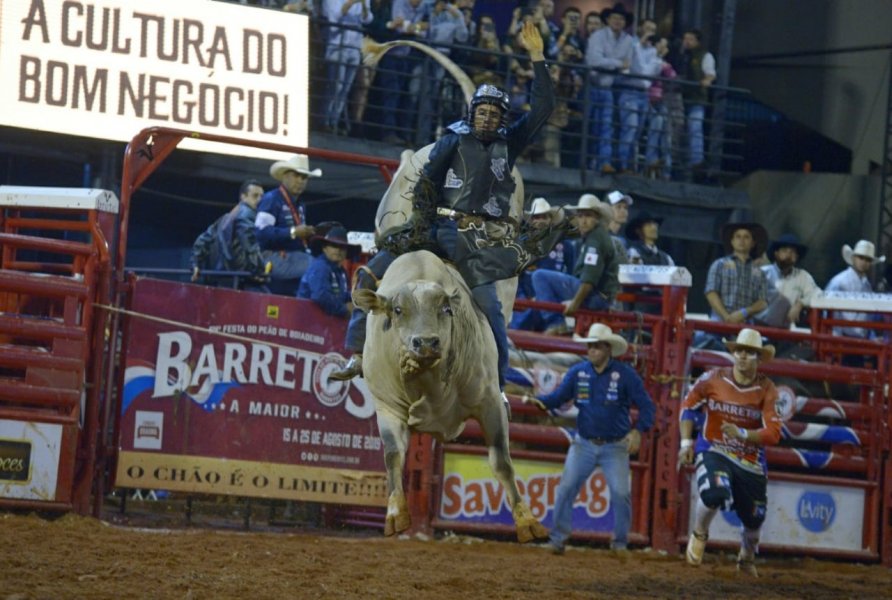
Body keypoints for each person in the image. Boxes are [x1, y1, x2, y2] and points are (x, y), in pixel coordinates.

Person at [330, 21, 556, 385]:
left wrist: (537, 58)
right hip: (437, 225)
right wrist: (420, 225)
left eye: (494, 113)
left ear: (502, 120)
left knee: (491, 308)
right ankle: (357, 353)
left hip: (476, 237)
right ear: (472, 113)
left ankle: (496, 381)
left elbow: (543, 108)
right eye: (482, 111)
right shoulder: (452, 141)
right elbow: (426, 184)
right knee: (370, 274)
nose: (487, 117)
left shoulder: (508, 145)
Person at [525, 323, 654, 553]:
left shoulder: (625, 375)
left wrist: (637, 431)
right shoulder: (578, 372)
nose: (591, 350)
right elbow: (559, 397)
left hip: (614, 446)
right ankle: (558, 539)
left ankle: (620, 542)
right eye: (590, 346)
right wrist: (542, 402)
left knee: (621, 493)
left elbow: (647, 407)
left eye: (596, 347)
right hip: (584, 442)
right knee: (566, 489)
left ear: (608, 349)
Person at [678, 328, 782, 577]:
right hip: (715, 449)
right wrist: (685, 444)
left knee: (754, 520)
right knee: (715, 493)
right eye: (740, 351)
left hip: (751, 461)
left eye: (750, 352)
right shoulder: (711, 379)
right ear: (733, 353)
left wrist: (743, 434)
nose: (743, 356)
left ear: (758, 357)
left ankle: (746, 558)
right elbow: (688, 407)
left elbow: (774, 433)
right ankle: (700, 532)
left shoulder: (767, 390)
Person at [532, 194, 618, 336]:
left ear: (597, 219)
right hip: (601, 296)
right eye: (581, 216)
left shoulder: (594, 241)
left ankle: (555, 323)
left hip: (595, 297)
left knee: (539, 276)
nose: (583, 221)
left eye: (588, 216)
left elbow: (589, 281)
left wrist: (574, 304)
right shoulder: (595, 237)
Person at [255, 155, 319, 295]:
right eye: (297, 176)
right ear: (285, 177)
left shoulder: (300, 204)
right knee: (318, 268)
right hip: (271, 257)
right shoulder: (271, 199)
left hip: (292, 257)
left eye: (304, 178)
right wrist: (293, 232)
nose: (301, 181)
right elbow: (261, 234)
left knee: (320, 265)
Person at [584, 2, 634, 173]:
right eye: (615, 17)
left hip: (608, 88)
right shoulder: (598, 36)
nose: (618, 21)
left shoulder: (628, 41)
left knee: (606, 126)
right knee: (589, 125)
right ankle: (586, 163)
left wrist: (612, 65)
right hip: (591, 86)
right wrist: (618, 64)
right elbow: (594, 61)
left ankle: (603, 163)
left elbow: (628, 67)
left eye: (621, 18)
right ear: (608, 19)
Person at [510, 197, 573, 331]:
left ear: (551, 220)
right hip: (527, 304)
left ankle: (555, 326)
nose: (540, 221)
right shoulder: (521, 245)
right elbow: (515, 277)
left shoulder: (565, 245)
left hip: (554, 303)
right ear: (531, 221)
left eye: (544, 217)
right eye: (536, 217)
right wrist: (525, 300)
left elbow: (571, 276)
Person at [190, 179, 269, 287]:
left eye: (262, 197)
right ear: (243, 197)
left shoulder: (226, 217)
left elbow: (203, 240)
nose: (260, 200)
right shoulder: (247, 215)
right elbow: (251, 247)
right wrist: (261, 271)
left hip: (218, 278)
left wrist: (195, 263)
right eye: (255, 196)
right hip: (237, 280)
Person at [754, 234, 819, 329]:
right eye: (784, 251)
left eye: (793, 252)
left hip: (786, 332)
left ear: (797, 256)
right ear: (776, 253)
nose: (789, 254)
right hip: (759, 327)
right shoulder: (763, 273)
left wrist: (800, 303)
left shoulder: (803, 276)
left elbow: (817, 294)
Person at [825, 239, 886, 339]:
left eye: (868, 260)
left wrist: (872, 338)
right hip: (841, 338)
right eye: (861, 258)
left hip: (861, 339)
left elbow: (867, 316)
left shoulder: (867, 286)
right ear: (853, 258)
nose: (864, 262)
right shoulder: (839, 282)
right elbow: (826, 311)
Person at [297, 226, 361, 318]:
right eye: (334, 246)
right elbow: (320, 296)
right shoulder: (320, 267)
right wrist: (344, 309)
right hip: (306, 321)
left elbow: (340, 296)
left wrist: (359, 297)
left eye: (342, 247)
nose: (338, 250)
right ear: (324, 248)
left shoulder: (341, 271)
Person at [679, 29, 716, 171]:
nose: (687, 42)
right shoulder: (682, 56)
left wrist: (706, 81)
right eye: (685, 39)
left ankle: (696, 160)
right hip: (680, 98)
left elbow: (710, 74)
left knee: (694, 127)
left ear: (697, 41)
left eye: (690, 39)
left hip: (696, 98)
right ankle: (685, 160)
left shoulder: (705, 56)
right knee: (683, 130)